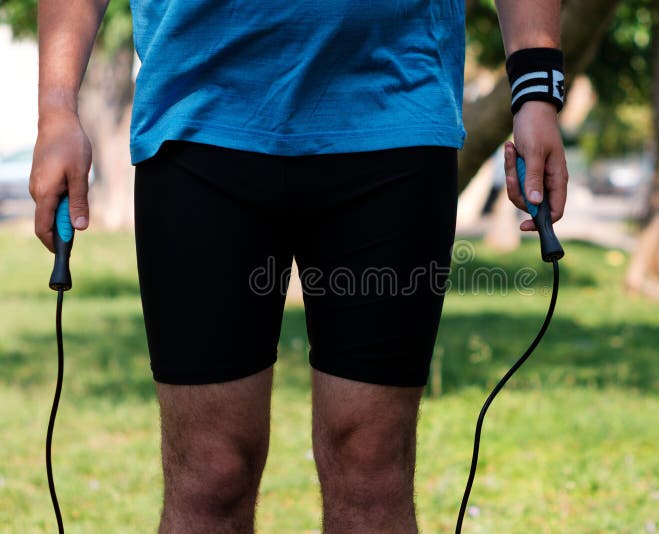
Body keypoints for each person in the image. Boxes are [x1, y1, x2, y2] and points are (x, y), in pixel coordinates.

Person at [29, 0, 568, 532]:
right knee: (211, 474)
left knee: (371, 470)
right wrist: (56, 109)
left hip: (396, 115)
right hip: (197, 125)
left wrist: (537, 93)